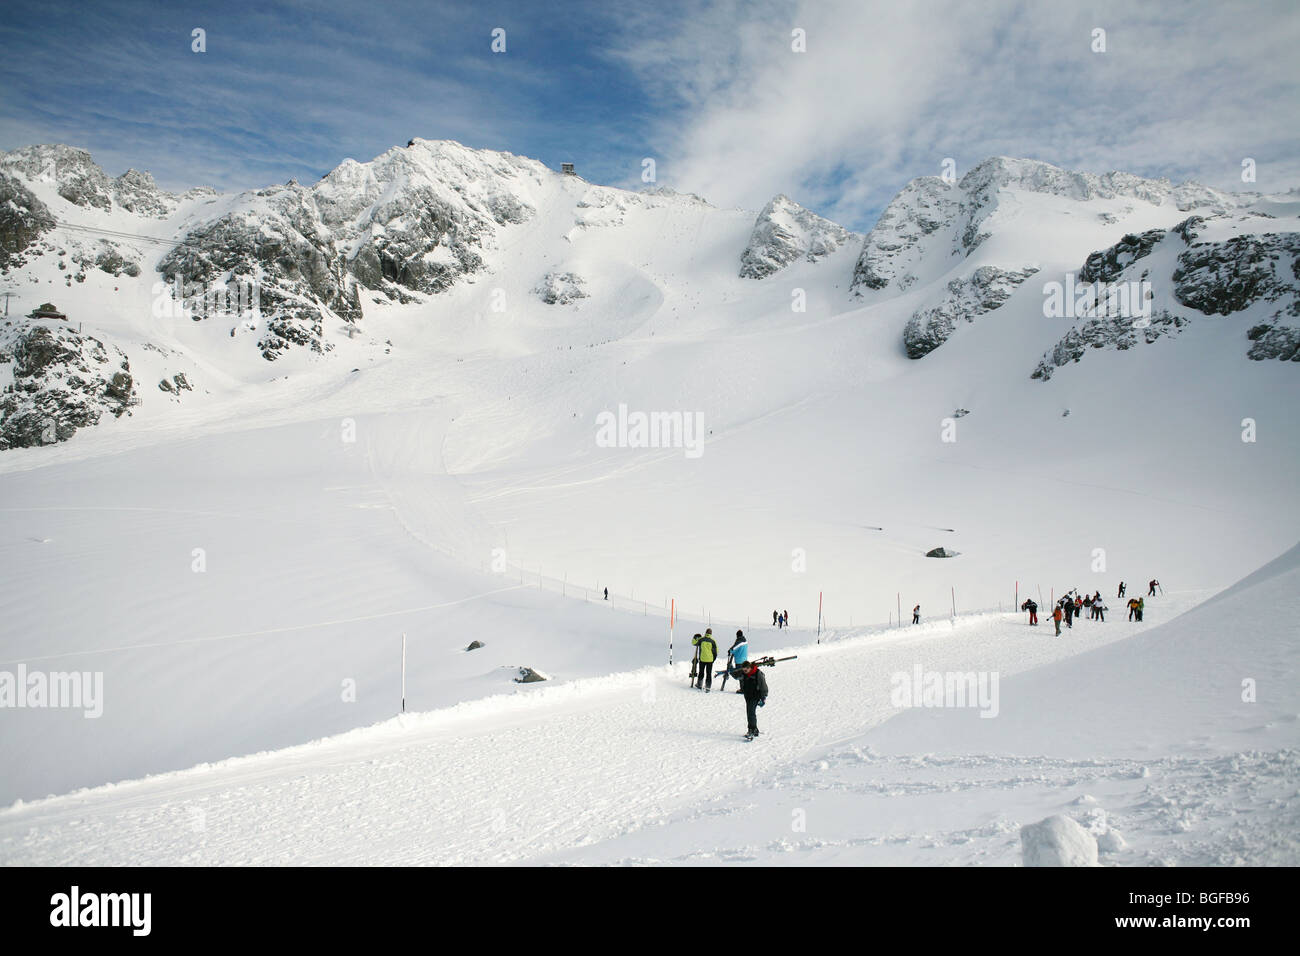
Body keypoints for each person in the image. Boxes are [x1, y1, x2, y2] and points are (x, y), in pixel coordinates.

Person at [737, 658, 769, 741]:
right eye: (743, 670)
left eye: (746, 669)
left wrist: (763, 697)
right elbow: (737, 676)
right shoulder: (744, 674)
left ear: (750, 667)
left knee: (751, 712)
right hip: (748, 696)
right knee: (749, 712)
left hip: (756, 696)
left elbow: (763, 686)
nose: (745, 671)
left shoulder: (758, 674)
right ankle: (753, 730)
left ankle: (752, 730)